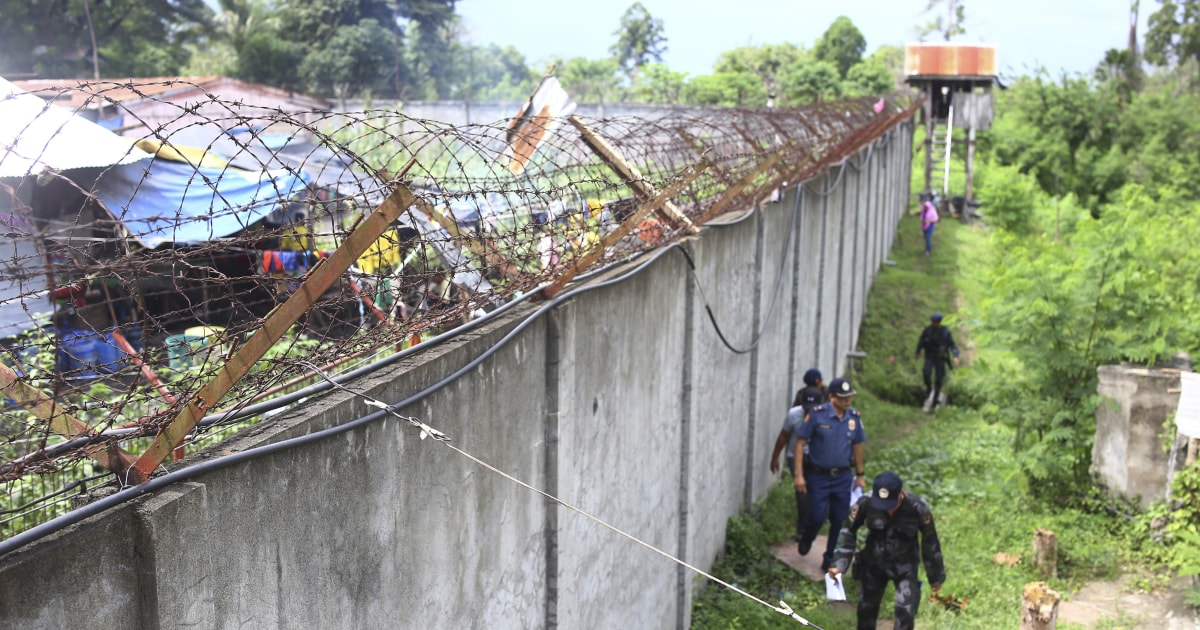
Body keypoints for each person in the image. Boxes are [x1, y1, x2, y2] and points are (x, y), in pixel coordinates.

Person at [828, 471, 945, 630]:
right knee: (866, 611)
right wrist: (839, 563)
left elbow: (930, 540)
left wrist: (935, 576)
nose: (887, 510)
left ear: (901, 494)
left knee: (906, 613)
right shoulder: (865, 503)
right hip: (873, 563)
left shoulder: (918, 508)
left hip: (906, 566)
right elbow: (848, 530)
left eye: (891, 504)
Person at [792, 377, 867, 570]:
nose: (847, 401)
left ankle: (829, 559)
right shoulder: (817, 415)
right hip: (819, 475)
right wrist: (798, 475)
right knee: (816, 516)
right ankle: (807, 536)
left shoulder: (854, 418)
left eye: (849, 397)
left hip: (842, 476)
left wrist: (860, 475)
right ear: (832, 397)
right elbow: (800, 443)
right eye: (842, 397)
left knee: (840, 519)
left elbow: (857, 446)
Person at [770, 369, 829, 538]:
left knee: (817, 492)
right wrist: (775, 458)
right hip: (795, 457)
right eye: (806, 409)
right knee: (802, 495)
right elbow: (783, 437)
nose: (809, 413)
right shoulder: (794, 415)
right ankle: (802, 529)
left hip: (818, 459)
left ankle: (818, 520)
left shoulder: (828, 415)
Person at [913, 312, 960, 413]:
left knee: (939, 378)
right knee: (926, 372)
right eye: (932, 321)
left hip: (940, 357)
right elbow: (921, 341)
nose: (933, 323)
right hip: (930, 355)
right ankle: (929, 389)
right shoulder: (928, 330)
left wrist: (956, 356)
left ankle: (936, 398)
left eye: (935, 322)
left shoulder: (946, 332)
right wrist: (918, 352)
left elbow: (952, 345)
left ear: (939, 322)